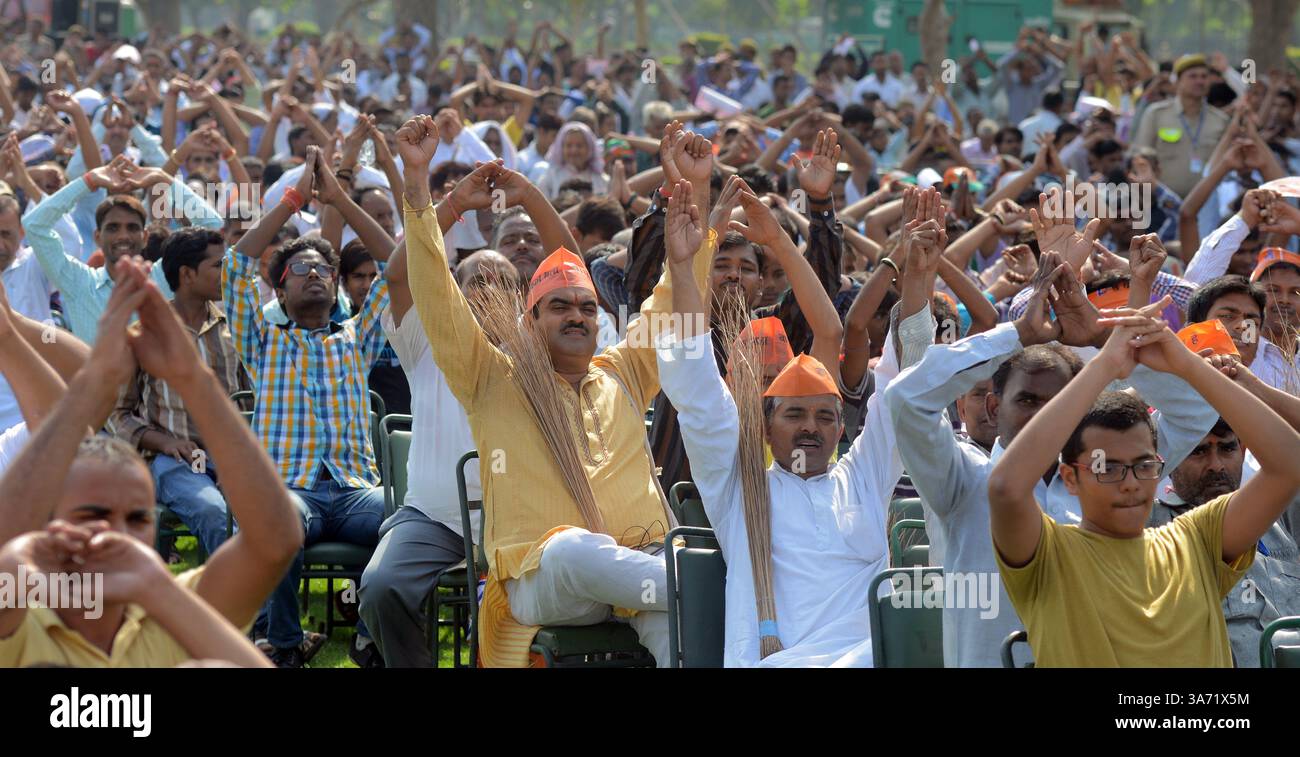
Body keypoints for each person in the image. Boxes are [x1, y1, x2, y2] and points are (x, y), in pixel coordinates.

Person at [400, 114, 715, 667]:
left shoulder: (623, 371)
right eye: (560, 307)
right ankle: (716, 584)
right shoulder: (491, 379)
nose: (578, 316)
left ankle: (696, 589)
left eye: (588, 308)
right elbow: (434, 293)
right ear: (529, 321)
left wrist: (699, 193)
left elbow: (673, 295)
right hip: (547, 581)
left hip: (641, 576)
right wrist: (419, 183)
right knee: (574, 549)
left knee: (684, 638)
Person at [884, 216, 1218, 667]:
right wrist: (1016, 333)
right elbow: (905, 397)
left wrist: (1102, 336)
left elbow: (1199, 410)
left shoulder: (1111, 472)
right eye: (1027, 399)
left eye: (1061, 399)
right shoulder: (962, 478)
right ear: (992, 408)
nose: (1045, 412)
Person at [656, 177, 933, 666]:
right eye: (795, 414)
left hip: (870, 653)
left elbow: (902, 389)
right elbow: (694, 386)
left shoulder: (863, 478)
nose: (812, 427)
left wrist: (916, 281)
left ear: (841, 429)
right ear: (763, 428)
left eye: (825, 416)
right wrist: (682, 268)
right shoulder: (737, 488)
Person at [0, 257, 301, 666]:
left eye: (138, 519)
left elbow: (275, 542)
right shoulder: (18, 612)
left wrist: (193, 376)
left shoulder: (170, 606)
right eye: (93, 514)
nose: (117, 534)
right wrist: (98, 379)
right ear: (48, 524)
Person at [987, 294, 1300, 667]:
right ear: (1070, 477)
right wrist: (1106, 364)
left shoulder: (1197, 540)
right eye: (1108, 467)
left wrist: (1184, 363)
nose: (1131, 482)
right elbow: (1006, 488)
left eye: (1143, 465)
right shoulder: (1050, 555)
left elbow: (1289, 464)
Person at [222, 147, 394, 667]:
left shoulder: (357, 338)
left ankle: (369, 636)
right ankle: (288, 645)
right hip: (291, 490)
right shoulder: (263, 340)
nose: (314, 274)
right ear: (280, 287)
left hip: (355, 489)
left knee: (409, 518)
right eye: (299, 269)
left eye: (323, 268)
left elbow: (396, 265)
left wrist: (340, 199)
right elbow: (234, 264)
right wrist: (293, 198)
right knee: (273, 524)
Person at [109, 228, 251, 558]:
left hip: (233, 459)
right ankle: (238, 607)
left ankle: (260, 608)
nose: (226, 273)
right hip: (172, 461)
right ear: (187, 274)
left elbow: (250, 401)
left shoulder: (235, 328)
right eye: (218, 266)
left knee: (276, 512)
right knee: (215, 514)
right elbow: (118, 414)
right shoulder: (144, 334)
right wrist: (166, 443)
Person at [22, 155, 222, 342]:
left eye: (132, 228)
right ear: (98, 238)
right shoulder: (80, 284)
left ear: (145, 237)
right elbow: (34, 225)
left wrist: (163, 179)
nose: (123, 236)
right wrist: (89, 181)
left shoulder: (164, 277)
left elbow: (215, 230)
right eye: (113, 227)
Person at [1131, 54, 1231, 198]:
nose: (1200, 81)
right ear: (1177, 82)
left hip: (1207, 204)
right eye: (1193, 76)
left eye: (1204, 76)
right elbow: (1141, 156)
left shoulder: (1220, 120)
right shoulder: (1156, 114)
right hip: (1164, 202)